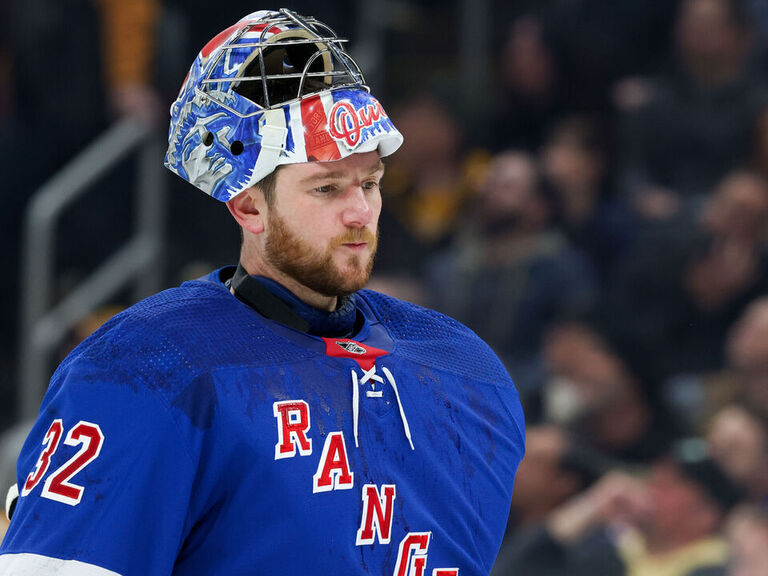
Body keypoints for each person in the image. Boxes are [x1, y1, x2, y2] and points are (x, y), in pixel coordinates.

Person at [0, 9, 525, 576]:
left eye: (370, 183)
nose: (360, 212)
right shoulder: (144, 368)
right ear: (248, 205)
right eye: (326, 187)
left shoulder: (467, 371)